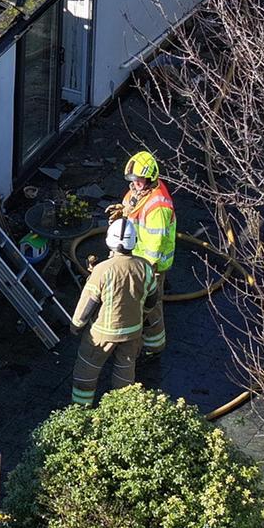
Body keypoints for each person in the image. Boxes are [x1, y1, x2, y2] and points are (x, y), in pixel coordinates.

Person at [112, 150, 177, 387]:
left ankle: (154, 346)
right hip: (136, 258)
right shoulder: (138, 192)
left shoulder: (158, 205)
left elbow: (155, 243)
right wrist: (121, 213)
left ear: (149, 179)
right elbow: (130, 209)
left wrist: (146, 270)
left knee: (151, 305)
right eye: (131, 180)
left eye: (138, 180)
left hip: (151, 265)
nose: (134, 185)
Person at [69, 212, 144, 408]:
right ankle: (121, 411)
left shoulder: (102, 270)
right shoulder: (144, 268)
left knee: (86, 371)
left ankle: (80, 410)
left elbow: (88, 304)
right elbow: (152, 301)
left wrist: (76, 325)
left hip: (103, 333)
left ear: (109, 241)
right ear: (133, 242)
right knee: (125, 374)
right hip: (133, 332)